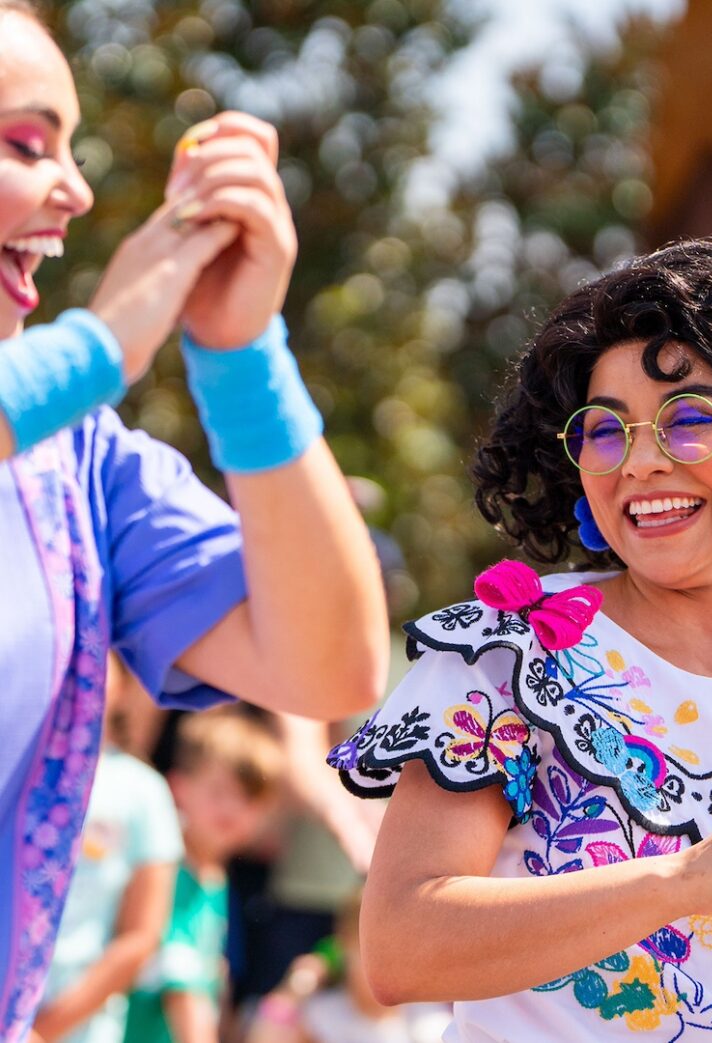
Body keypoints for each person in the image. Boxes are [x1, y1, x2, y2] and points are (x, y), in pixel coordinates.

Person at [0, 3, 388, 1040]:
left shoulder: (80, 463)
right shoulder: (74, 392)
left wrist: (242, 356)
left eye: (70, 151)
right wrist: (99, 345)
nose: (75, 190)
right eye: (26, 144)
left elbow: (329, 666)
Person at [329, 239, 712, 1040]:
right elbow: (401, 945)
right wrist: (682, 878)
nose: (640, 462)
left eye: (687, 420)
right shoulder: (512, 651)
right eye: (605, 430)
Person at [33, 655, 183, 1043]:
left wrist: (40, 1031)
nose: (81, 665)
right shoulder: (14, 767)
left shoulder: (143, 792)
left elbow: (140, 937)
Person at [123, 708, 281, 1043]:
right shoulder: (171, 870)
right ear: (178, 787)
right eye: (219, 792)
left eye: (249, 797)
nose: (232, 809)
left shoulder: (214, 876)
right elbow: (182, 986)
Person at [248, 891, 451, 1043]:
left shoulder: (429, 1019)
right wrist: (296, 988)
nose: (389, 965)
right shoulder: (322, 1016)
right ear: (343, 947)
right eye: (374, 951)